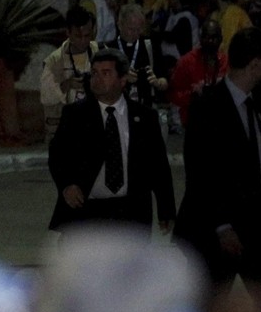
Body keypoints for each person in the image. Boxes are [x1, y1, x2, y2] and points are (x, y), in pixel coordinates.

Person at [174, 28, 261, 312]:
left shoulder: (255, 105)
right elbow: (200, 171)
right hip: (218, 234)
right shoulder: (208, 106)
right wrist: (222, 225)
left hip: (258, 230)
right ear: (254, 64)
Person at [46, 48, 174, 234]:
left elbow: (158, 165)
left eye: (105, 73)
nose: (97, 79)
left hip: (132, 212)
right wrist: (66, 185)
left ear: (122, 80)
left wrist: (166, 209)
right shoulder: (75, 115)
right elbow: (57, 155)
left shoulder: (145, 117)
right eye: (94, 73)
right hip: (87, 210)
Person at [39, 7, 97, 140]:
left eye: (87, 35)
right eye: (78, 36)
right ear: (68, 33)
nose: (83, 41)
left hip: (94, 126)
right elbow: (46, 98)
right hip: (66, 130)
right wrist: (67, 85)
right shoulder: (54, 61)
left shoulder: (99, 53)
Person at [169, 19, 227, 128]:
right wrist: (193, 95)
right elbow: (173, 94)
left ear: (220, 39)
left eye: (214, 37)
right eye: (206, 37)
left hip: (221, 122)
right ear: (200, 38)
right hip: (193, 122)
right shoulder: (185, 62)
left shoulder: (227, 62)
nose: (210, 41)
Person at [110, 3, 166, 106]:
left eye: (139, 29)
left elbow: (164, 79)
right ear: (119, 25)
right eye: (131, 29)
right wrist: (122, 79)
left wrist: (158, 83)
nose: (135, 33)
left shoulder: (150, 46)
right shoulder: (108, 49)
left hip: (144, 105)